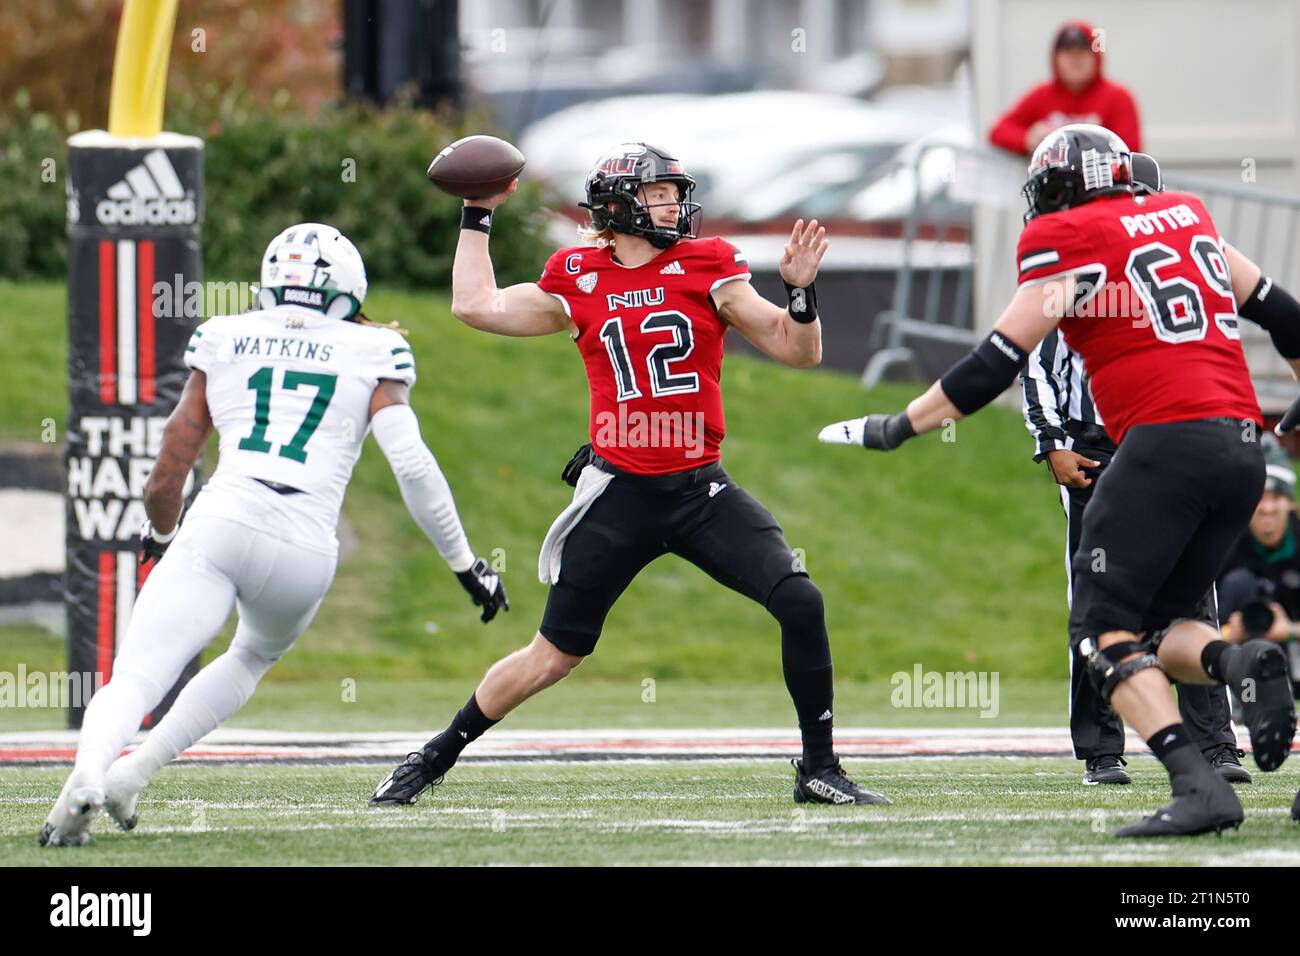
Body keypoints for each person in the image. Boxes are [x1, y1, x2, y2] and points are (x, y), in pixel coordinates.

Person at [370, 142, 887, 808]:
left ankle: (820, 769)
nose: (675, 204)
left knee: (799, 600)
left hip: (701, 490)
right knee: (551, 657)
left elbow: (797, 350)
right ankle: (432, 757)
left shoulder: (710, 264)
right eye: (660, 193)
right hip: (618, 494)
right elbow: (476, 305)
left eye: (676, 191)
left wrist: (801, 293)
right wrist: (477, 211)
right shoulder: (578, 274)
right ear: (619, 206)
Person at [820, 124, 1300, 837]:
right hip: (1240, 448)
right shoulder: (1186, 217)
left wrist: (901, 425)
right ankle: (1241, 663)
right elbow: (1285, 316)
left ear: (1062, 192)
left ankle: (1198, 787)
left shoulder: (1071, 237)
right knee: (1162, 622)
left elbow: (994, 362)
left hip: (1163, 445)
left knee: (1099, 630)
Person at [40, 223, 507, 847]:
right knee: (251, 656)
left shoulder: (225, 335)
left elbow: (174, 457)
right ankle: (136, 773)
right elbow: (413, 465)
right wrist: (464, 563)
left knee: (136, 676)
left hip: (223, 518)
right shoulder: (376, 349)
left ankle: (89, 774)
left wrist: (162, 529)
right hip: (305, 546)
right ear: (350, 289)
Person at [1024, 335, 1247, 784]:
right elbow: (1036, 363)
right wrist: (1051, 442)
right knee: (1097, 600)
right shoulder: (1072, 283)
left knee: (1193, 592)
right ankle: (1101, 750)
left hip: (1172, 439)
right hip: (1096, 450)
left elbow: (1207, 360)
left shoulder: (1166, 279)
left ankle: (1216, 743)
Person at [1218, 441, 1300, 694]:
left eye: (1276, 497)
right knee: (1238, 583)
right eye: (1259, 498)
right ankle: (1231, 693)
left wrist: (1288, 630)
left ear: (1290, 503)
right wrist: (1231, 633)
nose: (1267, 508)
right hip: (1238, 650)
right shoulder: (1223, 547)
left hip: (1294, 648)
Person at [989, 20, 1141, 157]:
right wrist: (1027, 138)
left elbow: (1130, 151)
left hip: (1104, 183)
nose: (1075, 58)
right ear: (1056, 58)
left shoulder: (1118, 98)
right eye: (1068, 51)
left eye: (1083, 51)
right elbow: (998, 131)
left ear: (1097, 57)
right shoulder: (1041, 95)